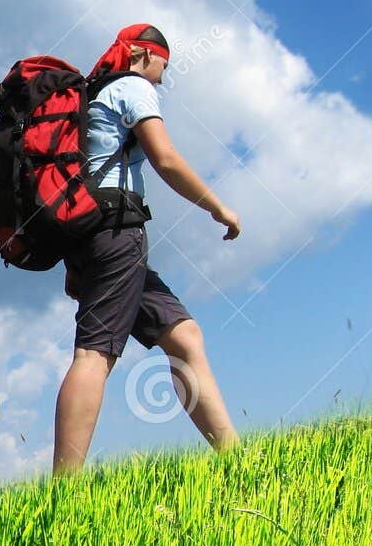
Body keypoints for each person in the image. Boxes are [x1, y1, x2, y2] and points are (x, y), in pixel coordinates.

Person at [52, 23, 242, 476]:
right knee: (94, 354)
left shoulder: (91, 97)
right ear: (142, 55)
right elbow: (167, 159)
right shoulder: (131, 86)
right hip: (118, 231)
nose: (162, 78)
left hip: (93, 235)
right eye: (163, 67)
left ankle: (236, 461)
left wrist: (76, 263)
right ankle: (62, 488)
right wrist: (217, 207)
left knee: (184, 335)